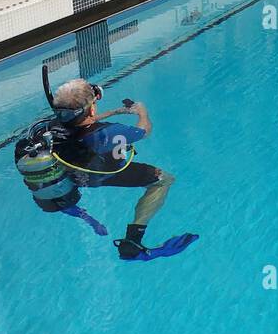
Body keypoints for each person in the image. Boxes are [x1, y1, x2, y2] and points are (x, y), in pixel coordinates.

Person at [19, 77, 197, 262]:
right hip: (104, 175)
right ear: (92, 108)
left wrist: (115, 111)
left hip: (71, 176)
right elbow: (144, 131)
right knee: (163, 180)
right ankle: (133, 240)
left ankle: (82, 214)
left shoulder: (46, 129)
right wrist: (142, 113)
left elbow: (78, 123)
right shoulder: (110, 133)